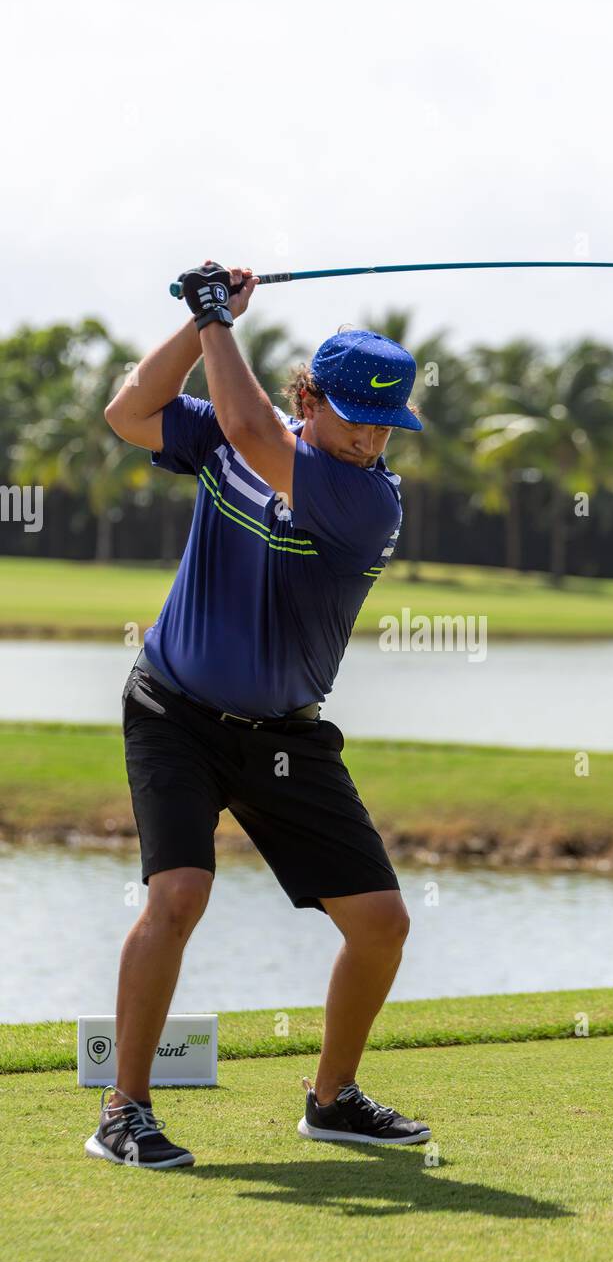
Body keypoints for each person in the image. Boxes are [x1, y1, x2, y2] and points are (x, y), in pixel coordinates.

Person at [85, 261, 430, 1169]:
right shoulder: (238, 438)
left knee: (383, 921)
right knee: (178, 895)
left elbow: (245, 423)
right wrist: (202, 325)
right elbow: (128, 412)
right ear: (310, 397)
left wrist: (214, 320)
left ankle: (332, 1100)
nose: (372, 443)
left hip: (285, 735)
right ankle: (124, 1111)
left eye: (389, 428)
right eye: (359, 421)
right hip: (173, 709)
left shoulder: (367, 500)